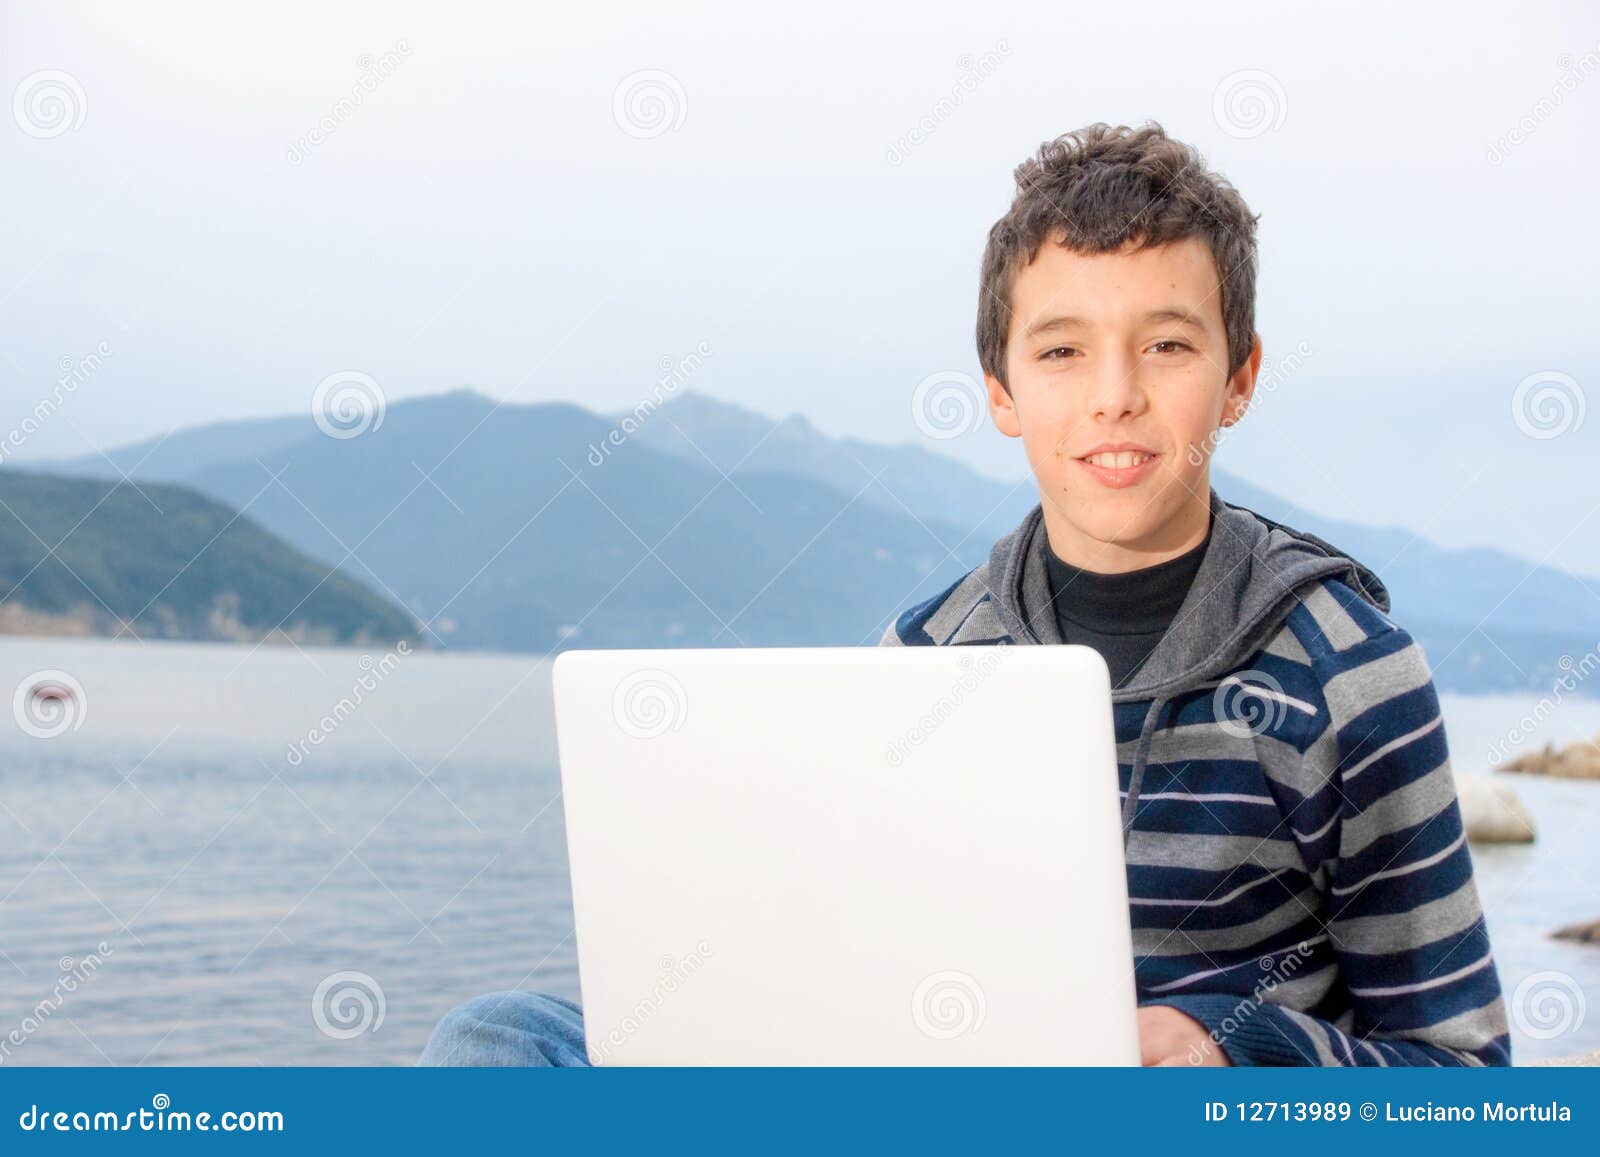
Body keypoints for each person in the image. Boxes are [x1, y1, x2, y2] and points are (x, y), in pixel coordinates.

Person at [420, 122, 1510, 1067]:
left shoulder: (1350, 672)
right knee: (497, 1036)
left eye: (1168, 345)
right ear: (1000, 392)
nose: (1115, 395)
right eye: (1062, 350)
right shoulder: (925, 657)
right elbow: (847, 957)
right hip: (936, 1091)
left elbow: (1464, 1078)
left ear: (1239, 378)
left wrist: (1234, 1042)